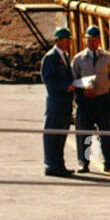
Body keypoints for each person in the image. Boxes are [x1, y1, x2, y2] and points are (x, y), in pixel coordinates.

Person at [71, 24, 110, 174]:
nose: (91, 42)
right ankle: (84, 162)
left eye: (94, 39)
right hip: (86, 102)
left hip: (104, 100)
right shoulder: (78, 59)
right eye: (88, 40)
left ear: (99, 40)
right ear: (85, 40)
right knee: (84, 134)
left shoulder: (108, 58)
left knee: (107, 133)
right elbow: (73, 79)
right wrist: (81, 94)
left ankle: (108, 163)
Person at [40, 26, 75, 177]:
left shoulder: (64, 56)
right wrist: (65, 86)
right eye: (66, 40)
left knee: (61, 136)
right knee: (52, 135)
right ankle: (51, 165)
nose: (69, 42)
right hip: (55, 103)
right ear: (59, 40)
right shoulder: (51, 57)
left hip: (65, 104)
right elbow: (48, 79)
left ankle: (59, 165)